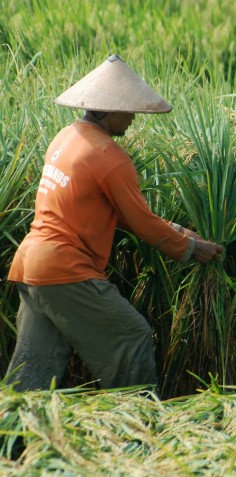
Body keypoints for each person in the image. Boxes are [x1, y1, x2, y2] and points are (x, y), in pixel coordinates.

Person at [4, 53, 224, 392]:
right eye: (128, 109)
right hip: (66, 269)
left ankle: (14, 438)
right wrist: (192, 248)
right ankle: (133, 428)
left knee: (29, 379)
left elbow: (117, 214)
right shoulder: (109, 156)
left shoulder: (65, 138)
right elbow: (143, 225)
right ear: (106, 109)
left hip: (31, 266)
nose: (133, 118)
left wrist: (177, 230)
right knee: (131, 335)